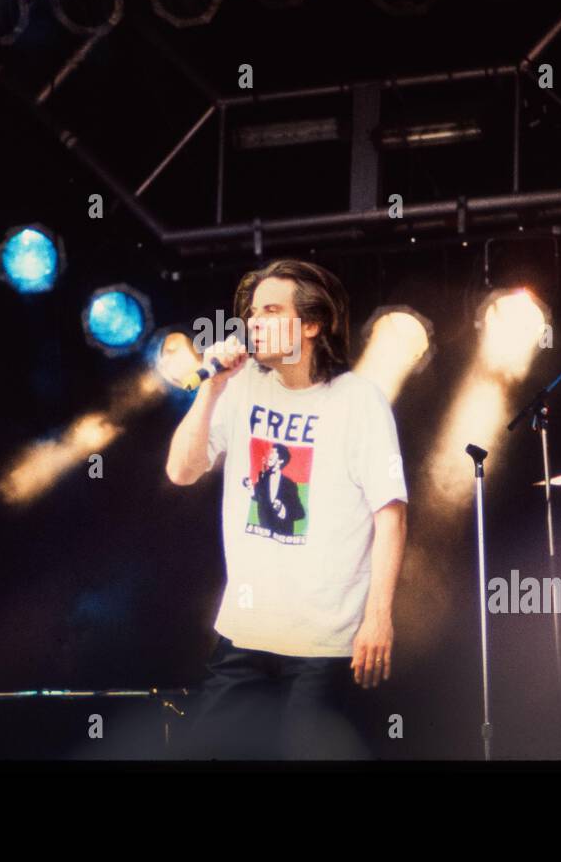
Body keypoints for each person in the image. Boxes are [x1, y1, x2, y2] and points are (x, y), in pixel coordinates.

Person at [165, 259, 409, 759]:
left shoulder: (358, 401)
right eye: (252, 312)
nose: (254, 322)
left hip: (324, 643)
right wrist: (211, 387)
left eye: (271, 310)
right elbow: (181, 471)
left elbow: (391, 513)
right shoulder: (239, 387)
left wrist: (379, 616)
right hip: (245, 632)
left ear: (312, 324)